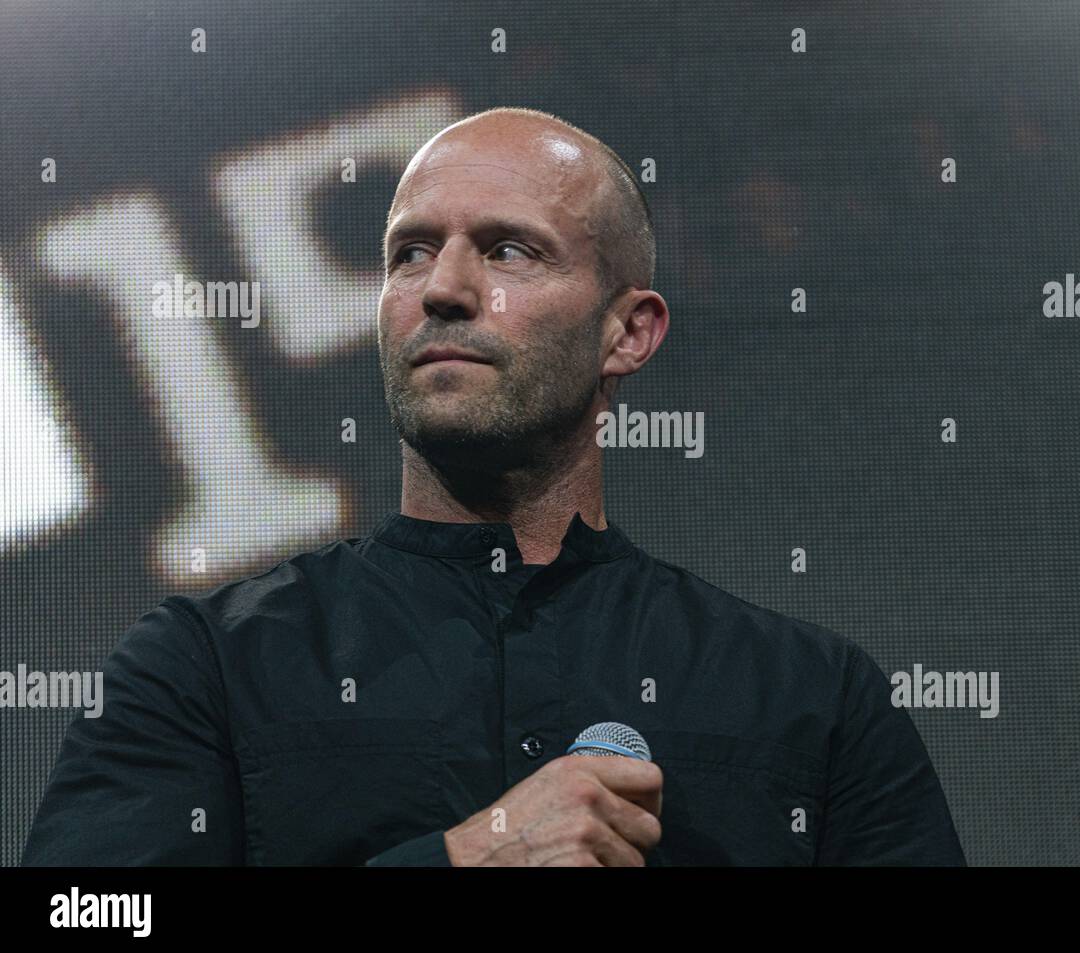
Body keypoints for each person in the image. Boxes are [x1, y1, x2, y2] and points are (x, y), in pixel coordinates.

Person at [21, 107, 965, 866]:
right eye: (409, 252)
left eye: (510, 250)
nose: (444, 287)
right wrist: (467, 859)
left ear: (628, 332)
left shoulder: (811, 698)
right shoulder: (202, 669)